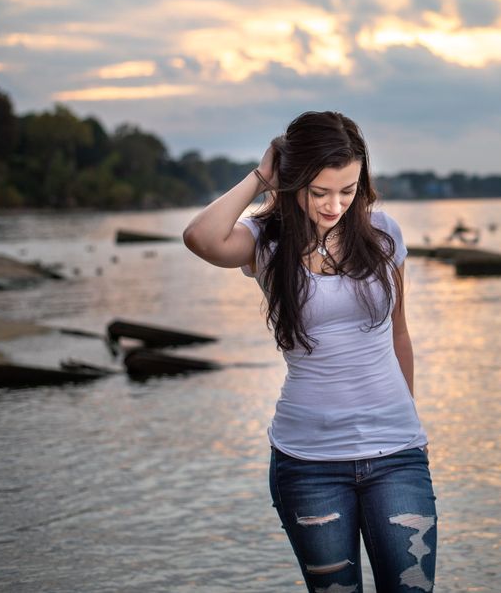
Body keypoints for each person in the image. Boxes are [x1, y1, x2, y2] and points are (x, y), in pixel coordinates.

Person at [183, 110, 437, 592]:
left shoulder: (384, 235)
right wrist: (261, 176)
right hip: (309, 463)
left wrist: (410, 419)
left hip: (397, 455)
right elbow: (200, 237)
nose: (334, 204)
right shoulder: (266, 242)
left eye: (347, 190)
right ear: (292, 182)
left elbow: (399, 333)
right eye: (319, 191)